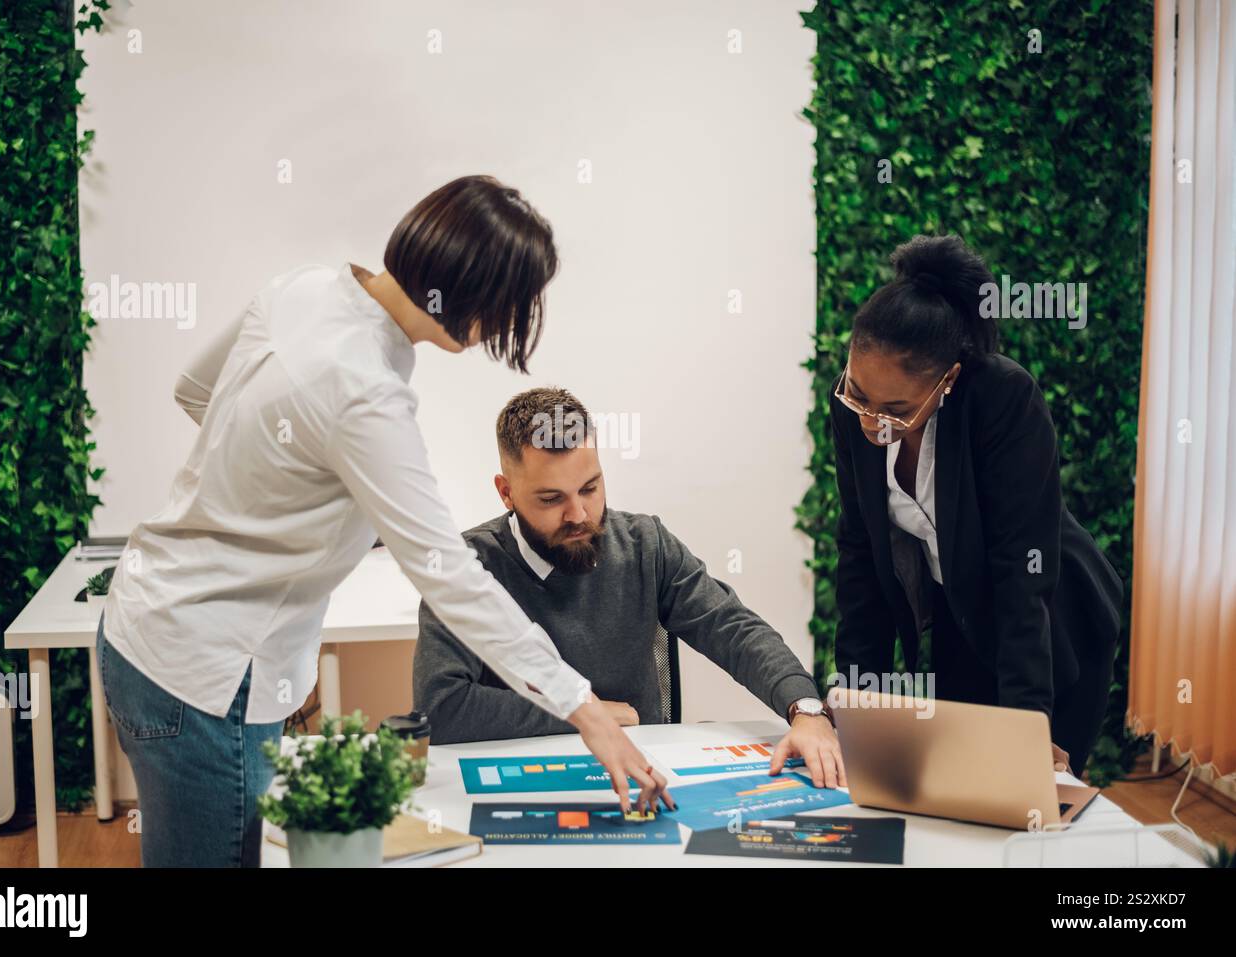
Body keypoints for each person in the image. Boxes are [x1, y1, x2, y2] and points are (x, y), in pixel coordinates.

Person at [98, 175, 671, 867]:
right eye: (509, 307)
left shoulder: (305, 287)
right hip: (205, 673)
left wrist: (295, 487)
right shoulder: (364, 393)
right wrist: (589, 715)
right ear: (473, 298)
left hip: (139, 628)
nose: (502, 329)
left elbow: (195, 392)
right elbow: (452, 580)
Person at [413, 387, 846, 788]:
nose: (579, 514)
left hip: (646, 774)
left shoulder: (645, 545)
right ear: (506, 493)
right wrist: (585, 715)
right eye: (551, 499)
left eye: (590, 487)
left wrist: (804, 707)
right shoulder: (467, 567)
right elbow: (444, 708)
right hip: (520, 780)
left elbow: (733, 628)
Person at [828, 233, 1123, 778]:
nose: (872, 424)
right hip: (960, 615)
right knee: (956, 784)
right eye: (861, 398)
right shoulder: (853, 405)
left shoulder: (1003, 399)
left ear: (948, 382)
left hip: (1050, 628)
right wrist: (855, 702)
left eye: (895, 410)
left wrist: (1027, 726)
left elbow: (1022, 574)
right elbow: (861, 556)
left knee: (1027, 791)